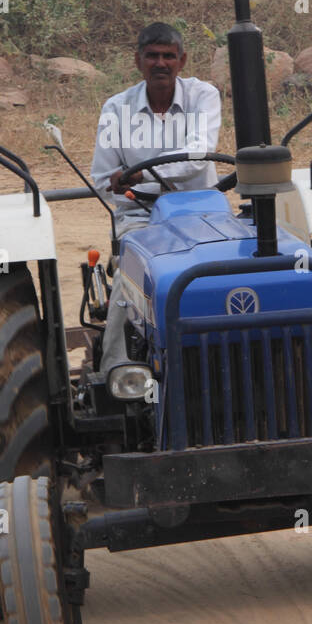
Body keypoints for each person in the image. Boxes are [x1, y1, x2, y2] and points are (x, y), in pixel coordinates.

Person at [90, 22, 221, 373]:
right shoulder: (116, 109)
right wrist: (122, 182)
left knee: (231, 272)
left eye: (168, 56)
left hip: (202, 213)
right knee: (128, 279)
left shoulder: (203, 96)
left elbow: (198, 156)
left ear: (182, 61)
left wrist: (142, 172)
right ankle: (116, 373)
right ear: (138, 61)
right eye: (152, 56)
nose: (160, 64)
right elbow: (103, 178)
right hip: (141, 217)